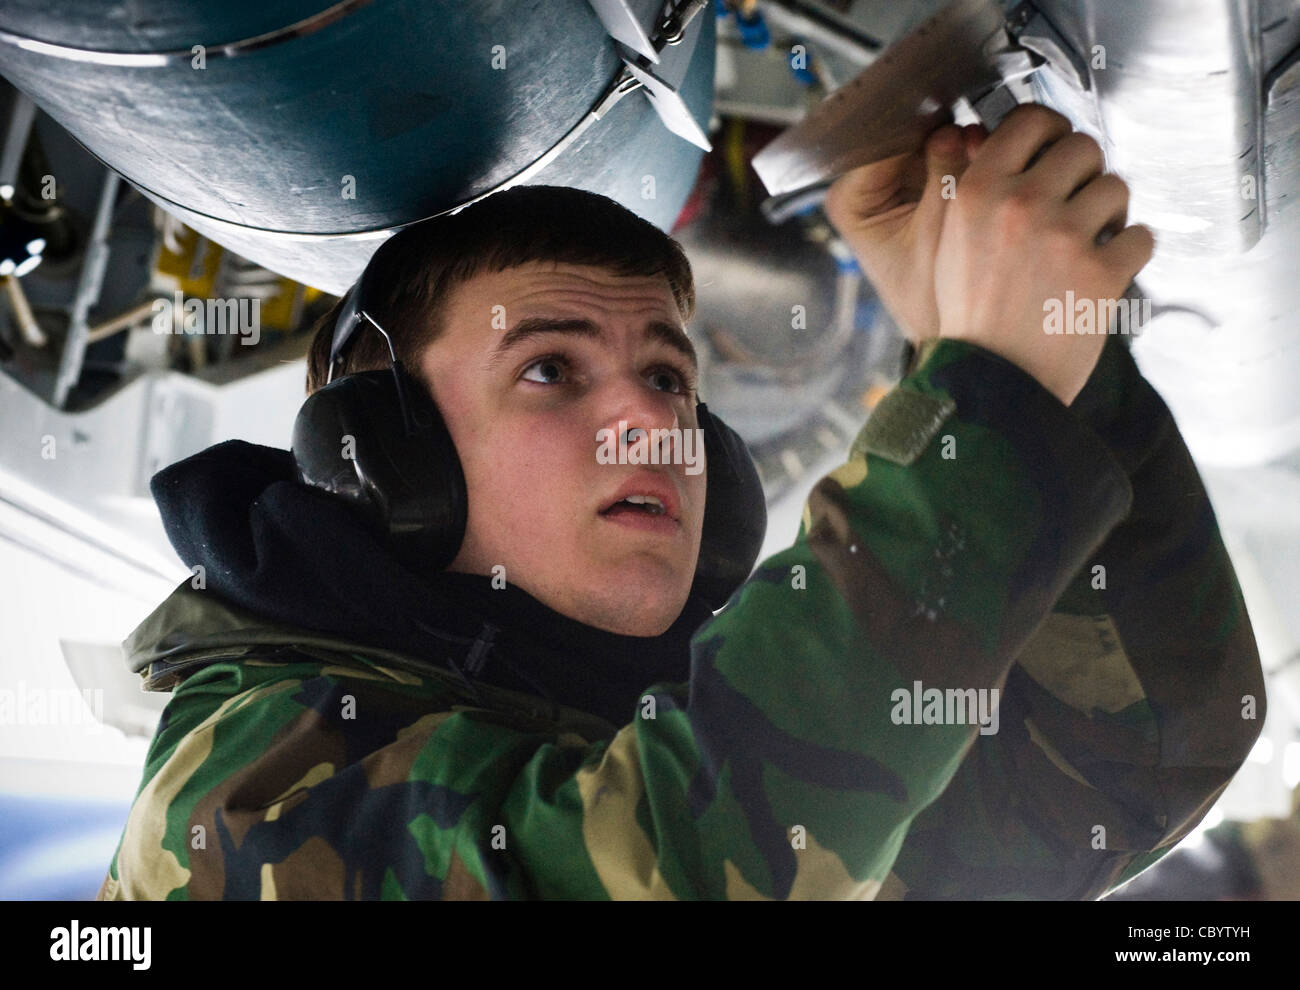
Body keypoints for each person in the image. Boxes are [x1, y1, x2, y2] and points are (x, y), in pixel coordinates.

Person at [98, 104, 1265, 900]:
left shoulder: (647, 735)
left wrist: (1055, 364)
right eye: (550, 369)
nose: (650, 422)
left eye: (667, 376)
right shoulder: (235, 797)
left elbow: (1127, 759)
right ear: (383, 458)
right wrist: (991, 394)